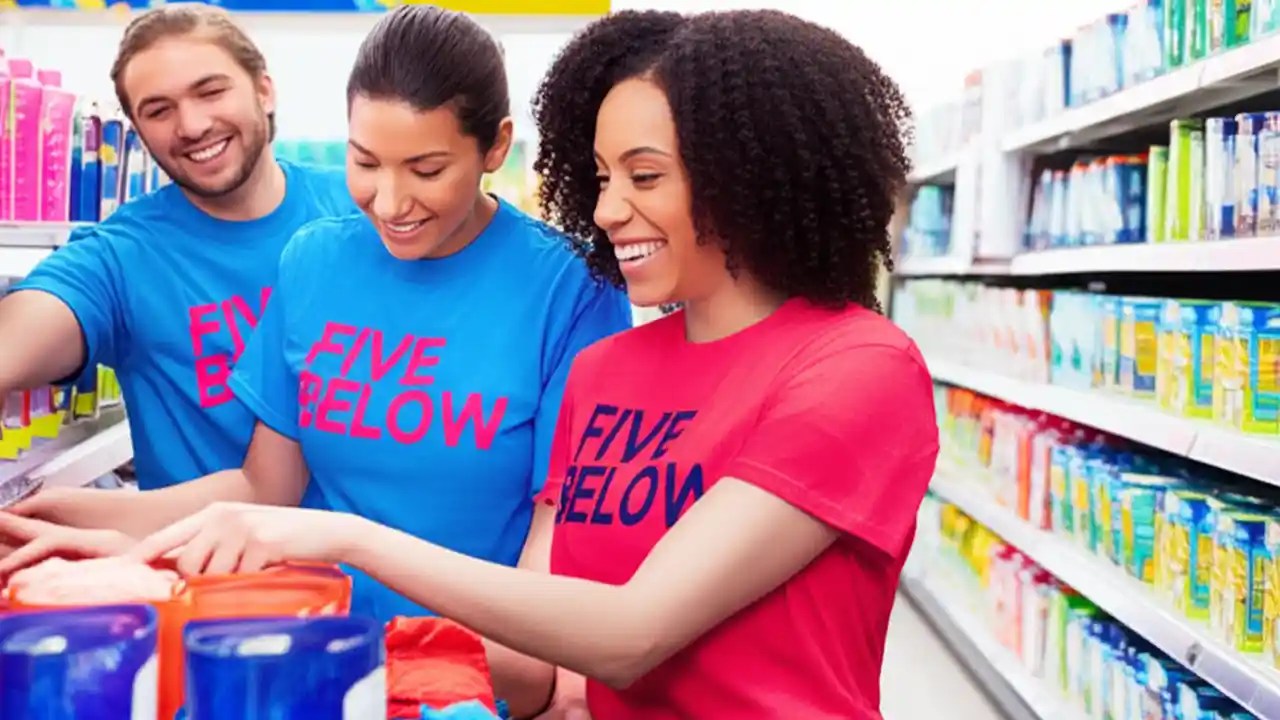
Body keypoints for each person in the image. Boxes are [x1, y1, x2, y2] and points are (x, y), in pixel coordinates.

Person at [124, 8, 940, 719]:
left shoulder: (857, 369)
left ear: (750, 175)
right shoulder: (608, 371)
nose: (608, 209)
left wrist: (342, 536)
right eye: (601, 176)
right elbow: (553, 623)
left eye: (644, 176)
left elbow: (631, 633)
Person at [5, 6, 631, 718]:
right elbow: (264, 487)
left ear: (496, 148)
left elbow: (545, 646)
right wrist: (80, 525)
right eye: (365, 163)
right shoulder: (314, 259)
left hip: (459, 682)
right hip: (297, 658)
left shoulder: (568, 290)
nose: (390, 203)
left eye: (426, 169)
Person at [0, 4, 353, 503]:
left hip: (386, 569)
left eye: (211, 92)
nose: (191, 125)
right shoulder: (123, 256)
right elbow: (24, 330)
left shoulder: (363, 214)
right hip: (206, 576)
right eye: (158, 110)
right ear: (138, 131)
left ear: (264, 91)